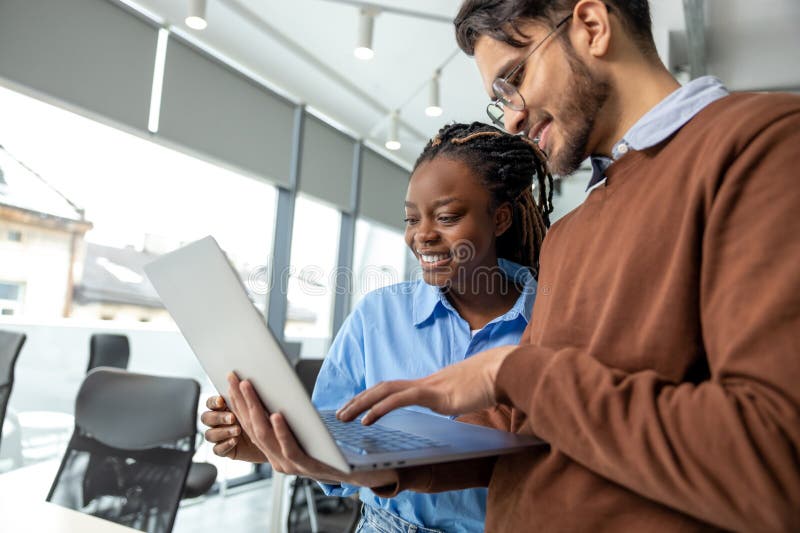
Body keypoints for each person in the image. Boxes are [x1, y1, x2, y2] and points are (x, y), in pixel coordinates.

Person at [335, 1, 800, 531]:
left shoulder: (761, 146)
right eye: (500, 100)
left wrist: (508, 371)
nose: (513, 118)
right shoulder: (568, 234)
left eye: (515, 78)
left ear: (591, 27)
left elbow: (774, 457)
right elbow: (530, 428)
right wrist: (383, 464)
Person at [201, 121, 554, 532]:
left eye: (446, 217)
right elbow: (329, 446)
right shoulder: (378, 315)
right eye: (410, 219)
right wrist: (263, 442)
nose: (422, 235)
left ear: (500, 218)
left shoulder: (552, 321)